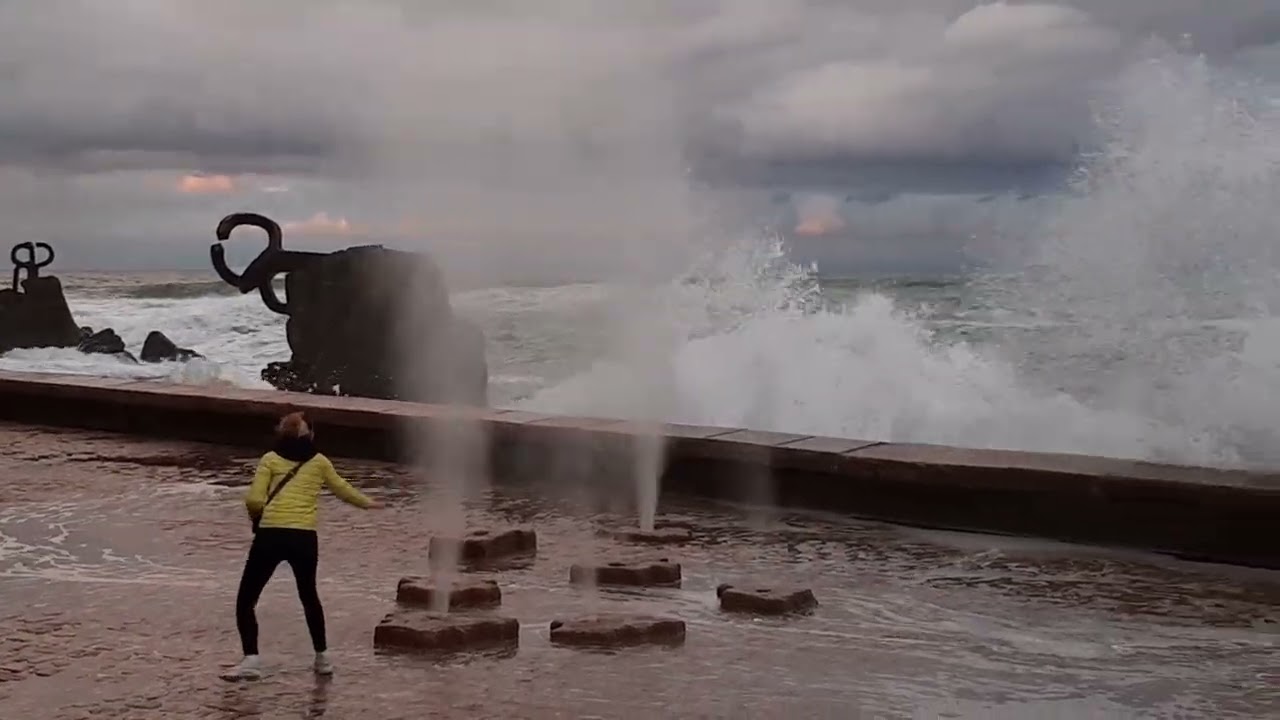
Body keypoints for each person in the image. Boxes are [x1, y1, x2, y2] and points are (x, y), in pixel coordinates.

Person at [221, 411, 380, 681]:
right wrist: (369, 503)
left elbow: (254, 500)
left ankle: (251, 661)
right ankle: (323, 658)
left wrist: (257, 516)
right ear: (311, 435)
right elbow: (342, 489)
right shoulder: (319, 461)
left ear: (281, 432)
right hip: (304, 537)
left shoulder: (270, 459)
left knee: (246, 600)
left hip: (271, 535)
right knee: (309, 597)